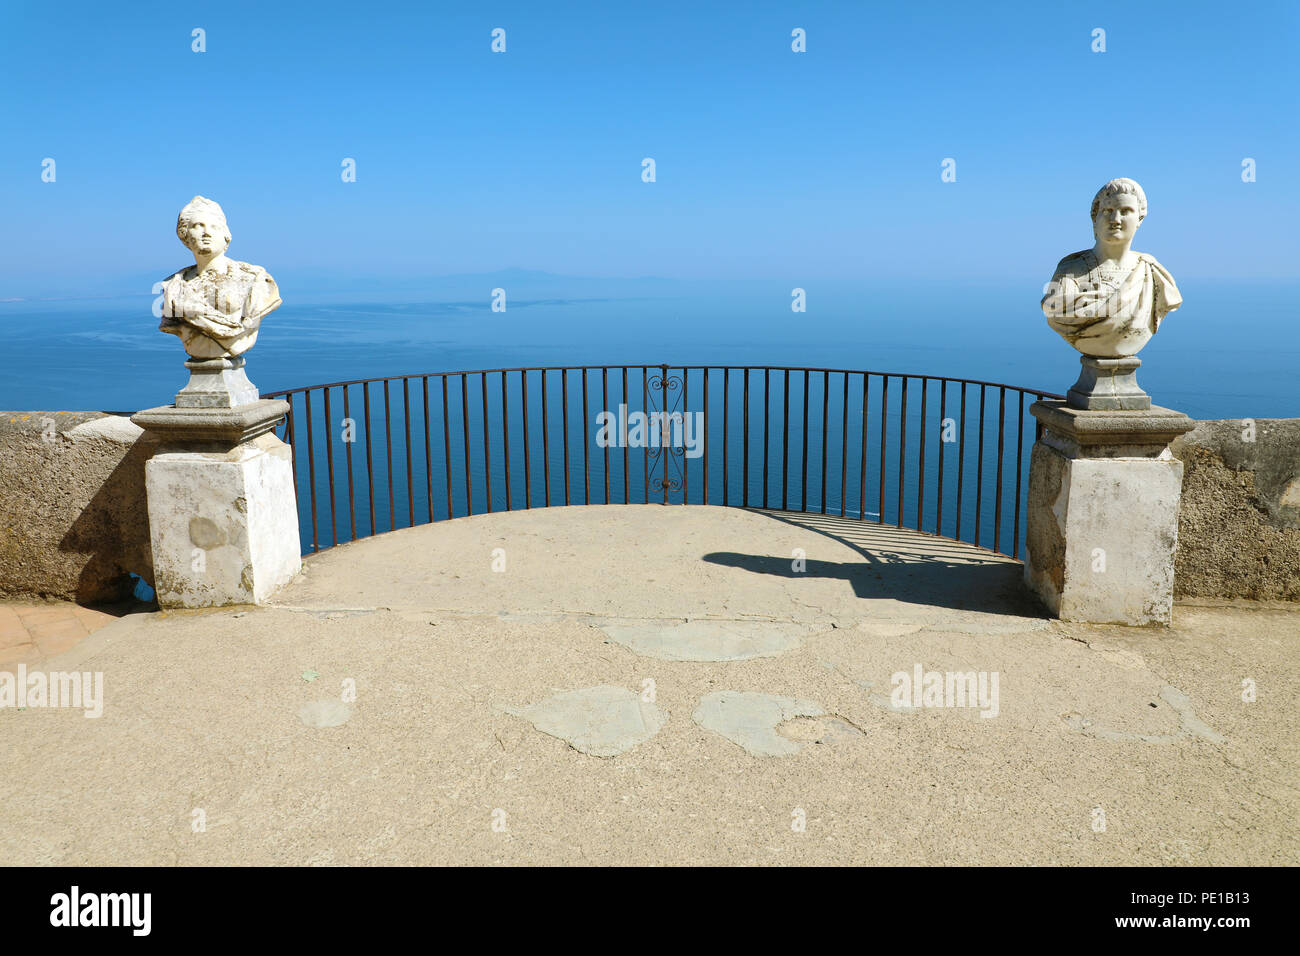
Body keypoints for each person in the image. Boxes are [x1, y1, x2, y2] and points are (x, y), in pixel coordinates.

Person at [1040, 178, 1181, 357]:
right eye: (1108, 211)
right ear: (1095, 218)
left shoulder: (1153, 273)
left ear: (1140, 218)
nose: (1115, 219)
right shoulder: (1070, 270)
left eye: (1125, 211)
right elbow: (1056, 308)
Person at [158, 196, 281, 359]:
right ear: (185, 236)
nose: (206, 233)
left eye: (214, 226)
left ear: (225, 235)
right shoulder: (173, 287)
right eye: (198, 226)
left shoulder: (255, 279)